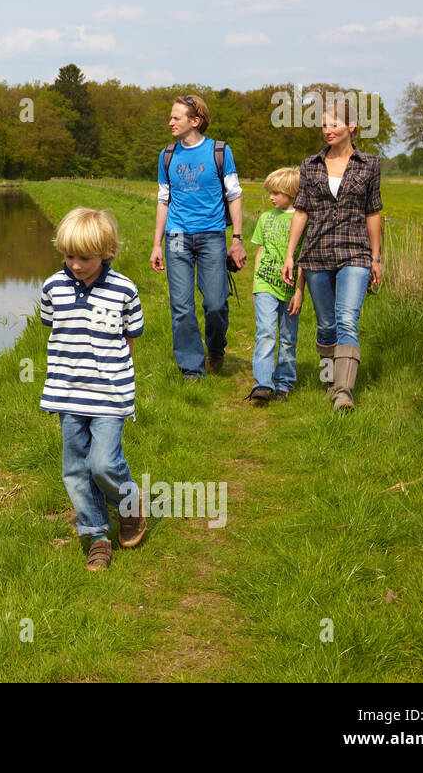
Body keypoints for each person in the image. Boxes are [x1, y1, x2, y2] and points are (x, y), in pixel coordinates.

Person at [39, 207, 145, 571]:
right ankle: (97, 534)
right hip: (68, 394)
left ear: (108, 251)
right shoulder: (52, 288)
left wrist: (112, 376)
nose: (76, 265)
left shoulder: (125, 291)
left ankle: (130, 505)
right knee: (75, 469)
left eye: (85, 257)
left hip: (110, 396)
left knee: (102, 463)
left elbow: (131, 339)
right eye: (69, 256)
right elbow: (53, 328)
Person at [281, 92, 383, 411]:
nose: (327, 130)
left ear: (352, 126)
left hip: (356, 252)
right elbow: (301, 212)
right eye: (324, 125)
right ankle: (329, 379)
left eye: (334, 124)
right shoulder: (310, 165)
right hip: (317, 253)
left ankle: (343, 393)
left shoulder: (369, 165)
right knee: (326, 325)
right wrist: (289, 254)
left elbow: (373, 212)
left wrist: (376, 258)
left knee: (347, 319)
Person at [149, 94, 246, 379]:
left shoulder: (219, 151)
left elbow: (235, 196)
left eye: (176, 118)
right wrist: (156, 244)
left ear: (196, 121)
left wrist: (237, 240)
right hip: (176, 236)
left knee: (215, 304)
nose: (170, 122)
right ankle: (191, 369)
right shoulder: (167, 156)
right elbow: (162, 200)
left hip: (211, 236)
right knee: (181, 306)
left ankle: (216, 348)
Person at [248, 167, 305, 404]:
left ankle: (283, 383)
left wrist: (300, 291)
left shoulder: (303, 220)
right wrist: (254, 285)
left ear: (291, 192)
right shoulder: (265, 218)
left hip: (290, 288)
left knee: (288, 337)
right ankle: (263, 383)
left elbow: (304, 259)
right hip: (265, 284)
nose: (271, 197)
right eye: (270, 192)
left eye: (276, 192)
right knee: (266, 332)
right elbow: (260, 250)